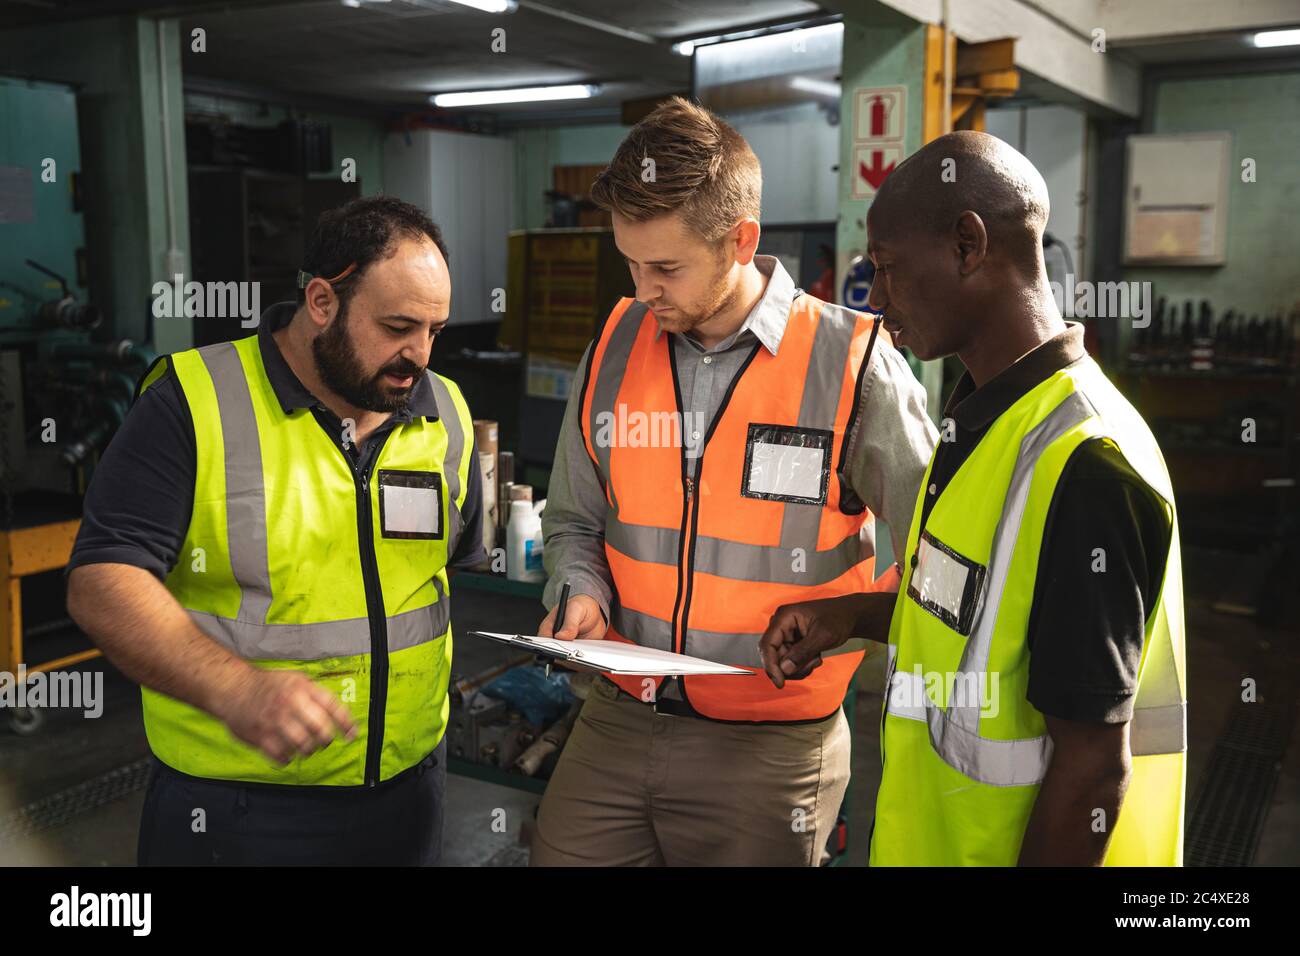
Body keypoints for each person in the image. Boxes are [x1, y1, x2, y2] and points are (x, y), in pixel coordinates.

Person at [530, 96, 937, 866]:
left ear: (740, 240)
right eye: (630, 262)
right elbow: (575, 518)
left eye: (666, 267)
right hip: (621, 716)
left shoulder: (851, 364)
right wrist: (578, 589)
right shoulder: (615, 346)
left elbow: (942, 555)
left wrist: (851, 617)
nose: (643, 289)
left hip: (773, 740)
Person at [760, 131, 1186, 866]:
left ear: (968, 244)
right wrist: (852, 615)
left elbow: (1093, 770)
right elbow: (983, 617)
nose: (878, 299)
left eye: (888, 269)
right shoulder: (983, 419)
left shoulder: (1086, 466)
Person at [65, 196, 485, 865]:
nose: (421, 356)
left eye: (435, 329)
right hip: (238, 811)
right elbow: (102, 581)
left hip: (408, 797)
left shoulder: (446, 413)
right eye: (399, 326)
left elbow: (448, 565)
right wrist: (236, 688)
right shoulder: (194, 402)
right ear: (321, 302)